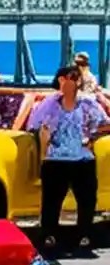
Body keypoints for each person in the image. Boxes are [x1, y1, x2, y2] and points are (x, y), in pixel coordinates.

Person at [27, 64, 110, 255]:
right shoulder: (50, 103)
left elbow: (106, 124)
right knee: (51, 201)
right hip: (56, 160)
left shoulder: (87, 103)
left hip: (82, 159)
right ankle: (49, 236)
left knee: (86, 200)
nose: (69, 82)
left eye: (73, 78)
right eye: (65, 78)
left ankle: (84, 236)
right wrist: (46, 133)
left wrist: (92, 136)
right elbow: (33, 124)